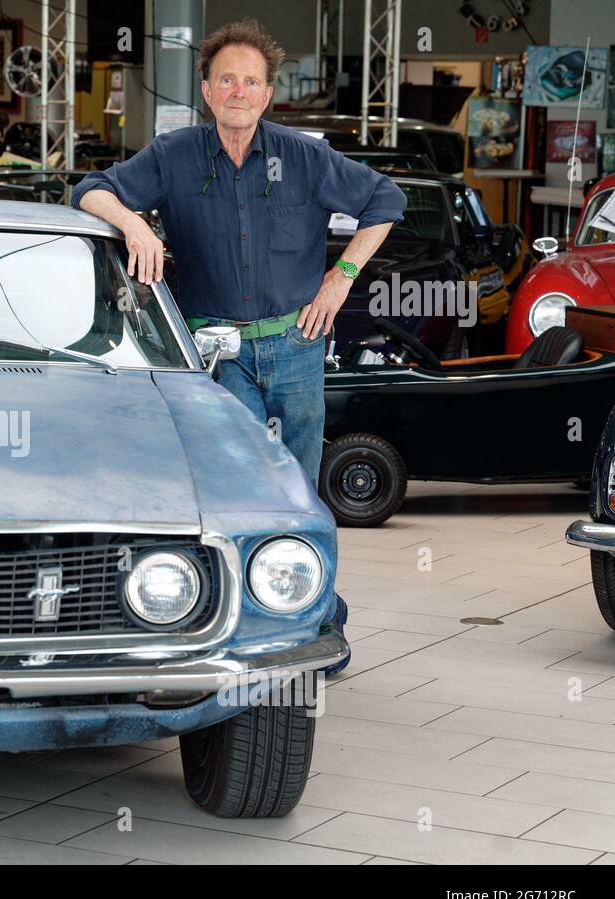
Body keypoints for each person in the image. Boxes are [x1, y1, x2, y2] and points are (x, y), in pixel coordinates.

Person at [72, 17, 406, 638]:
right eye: (227, 79)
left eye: (252, 82)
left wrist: (341, 278)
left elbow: (386, 201)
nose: (239, 91)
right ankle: (239, 620)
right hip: (215, 351)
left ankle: (310, 618)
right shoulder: (174, 156)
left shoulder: (305, 157)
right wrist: (136, 224)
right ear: (206, 89)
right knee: (235, 483)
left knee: (299, 486)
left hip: (296, 343)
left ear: (268, 93)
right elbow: (88, 190)